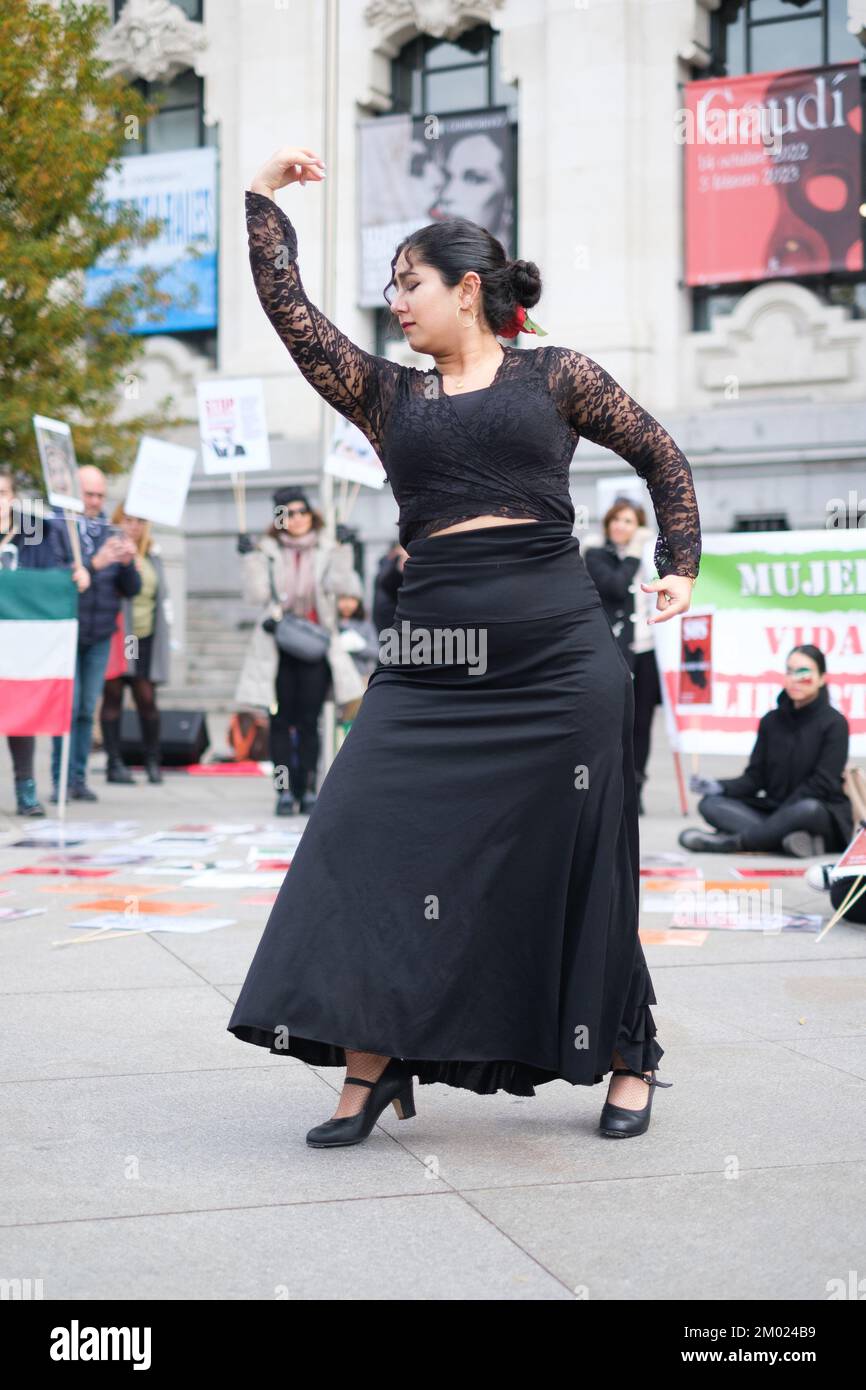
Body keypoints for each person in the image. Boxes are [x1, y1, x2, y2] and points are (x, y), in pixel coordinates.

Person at [227, 145, 701, 1147]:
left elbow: (659, 450)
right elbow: (291, 315)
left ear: (467, 289)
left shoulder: (555, 375)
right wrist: (263, 203)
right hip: (434, 656)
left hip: (557, 655)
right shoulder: (386, 395)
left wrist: (679, 562)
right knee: (359, 837)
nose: (396, 304)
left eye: (410, 285)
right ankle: (371, 1058)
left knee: (577, 859)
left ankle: (626, 1054)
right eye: (391, 289)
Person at [234, 486, 365, 816]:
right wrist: (249, 558)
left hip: (315, 646)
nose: (297, 519)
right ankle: (283, 791)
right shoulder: (266, 550)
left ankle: (307, 788)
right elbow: (256, 596)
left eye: (302, 511)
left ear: (312, 514)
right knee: (279, 721)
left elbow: (343, 587)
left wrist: (345, 550)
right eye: (288, 513)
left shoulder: (326, 546)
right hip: (277, 647)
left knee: (310, 723)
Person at [679, 645, 853, 858]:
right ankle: (785, 840)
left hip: (816, 812)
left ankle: (735, 842)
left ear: (821, 679)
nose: (795, 679)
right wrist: (719, 786)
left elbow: (822, 783)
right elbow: (755, 778)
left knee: (807, 809)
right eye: (789, 671)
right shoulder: (771, 721)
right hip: (773, 810)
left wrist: (783, 817)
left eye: (804, 673)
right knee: (711, 804)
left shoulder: (834, 723)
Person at [48, 465, 141, 801]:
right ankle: (60, 780)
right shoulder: (56, 526)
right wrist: (94, 564)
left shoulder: (110, 530)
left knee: (88, 709)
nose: (95, 501)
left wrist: (129, 563)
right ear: (74, 491)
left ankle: (77, 779)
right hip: (67, 629)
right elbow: (55, 579)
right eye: (89, 494)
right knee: (67, 709)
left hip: (100, 631)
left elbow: (131, 590)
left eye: (101, 495)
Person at [0, 468, 90, 815]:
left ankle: (26, 788)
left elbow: (53, 573)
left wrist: (74, 577)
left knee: (19, 714)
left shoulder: (34, 533)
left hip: (20, 640)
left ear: (14, 497)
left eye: (4, 493)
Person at [585, 499, 663, 814]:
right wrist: (633, 553)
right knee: (613, 723)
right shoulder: (595, 554)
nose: (620, 526)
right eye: (616, 520)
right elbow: (616, 587)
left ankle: (636, 788)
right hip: (614, 651)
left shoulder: (649, 558)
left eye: (628, 521)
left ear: (639, 526)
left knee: (642, 724)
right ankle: (608, 787)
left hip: (647, 652)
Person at [99, 505, 172, 785]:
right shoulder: (110, 550)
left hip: (145, 635)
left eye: (139, 521)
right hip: (119, 635)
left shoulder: (153, 554)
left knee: (146, 699)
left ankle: (153, 759)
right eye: (127, 520)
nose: (133, 526)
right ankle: (113, 762)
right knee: (114, 697)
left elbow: (159, 596)